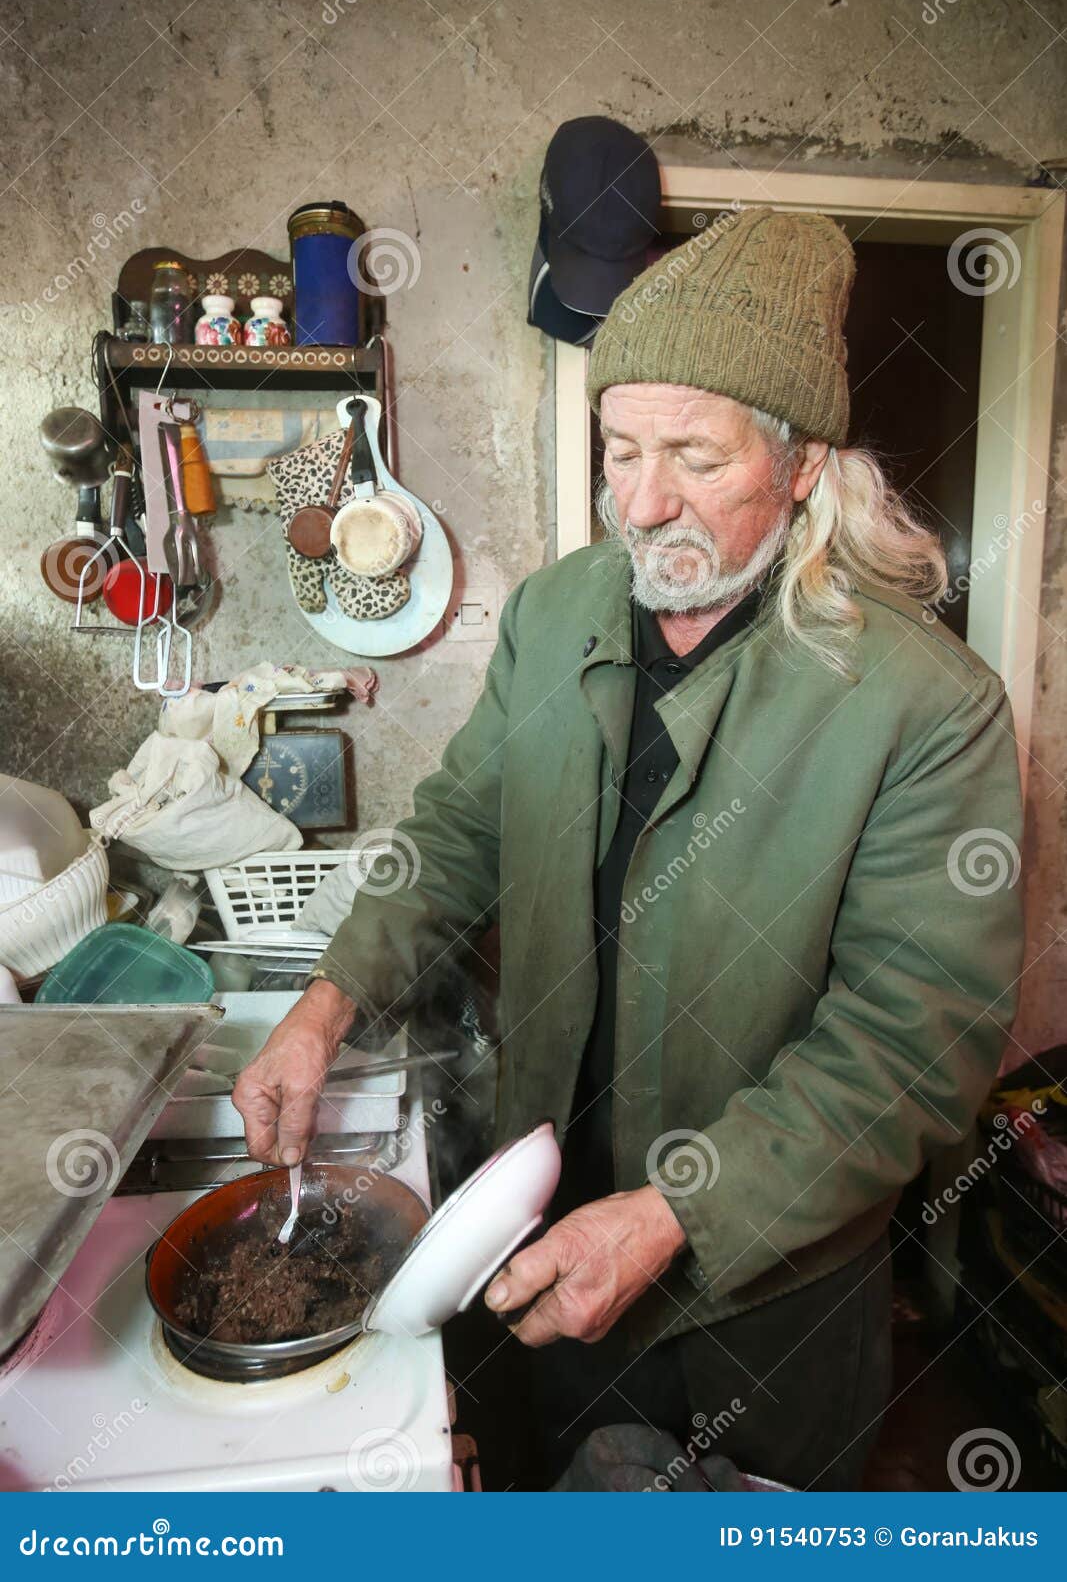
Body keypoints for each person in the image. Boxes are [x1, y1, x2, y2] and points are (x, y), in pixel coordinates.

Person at [233, 205, 1024, 1489]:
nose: (643, 501)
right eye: (619, 449)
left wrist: (674, 1216)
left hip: (754, 1292)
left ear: (804, 460)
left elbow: (914, 1038)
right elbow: (455, 834)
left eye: (695, 458)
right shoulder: (556, 617)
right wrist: (325, 1006)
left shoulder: (921, 705)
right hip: (531, 1223)